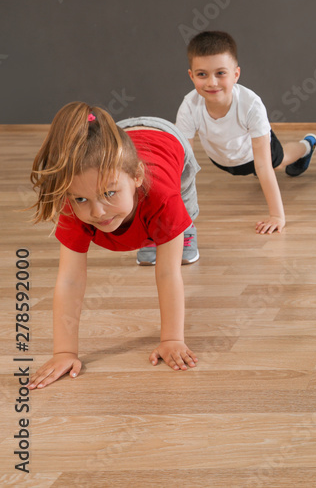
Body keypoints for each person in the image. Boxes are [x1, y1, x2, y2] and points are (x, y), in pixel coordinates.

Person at [27, 103, 201, 389]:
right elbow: (70, 280)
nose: (98, 212)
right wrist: (64, 352)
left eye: (109, 193)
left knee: (182, 217)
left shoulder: (162, 197)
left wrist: (172, 339)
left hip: (168, 140)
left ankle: (174, 233)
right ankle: (155, 234)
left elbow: (169, 274)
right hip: (125, 134)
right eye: (82, 199)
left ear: (137, 177)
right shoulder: (73, 205)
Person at [176, 31, 316, 234]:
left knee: (279, 161)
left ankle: (307, 145)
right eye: (202, 74)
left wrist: (277, 216)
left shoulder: (251, 105)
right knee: (260, 170)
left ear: (236, 74)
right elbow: (183, 164)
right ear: (191, 76)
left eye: (221, 73)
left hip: (255, 153)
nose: (211, 82)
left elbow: (263, 165)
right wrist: (180, 215)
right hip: (223, 159)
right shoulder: (190, 106)